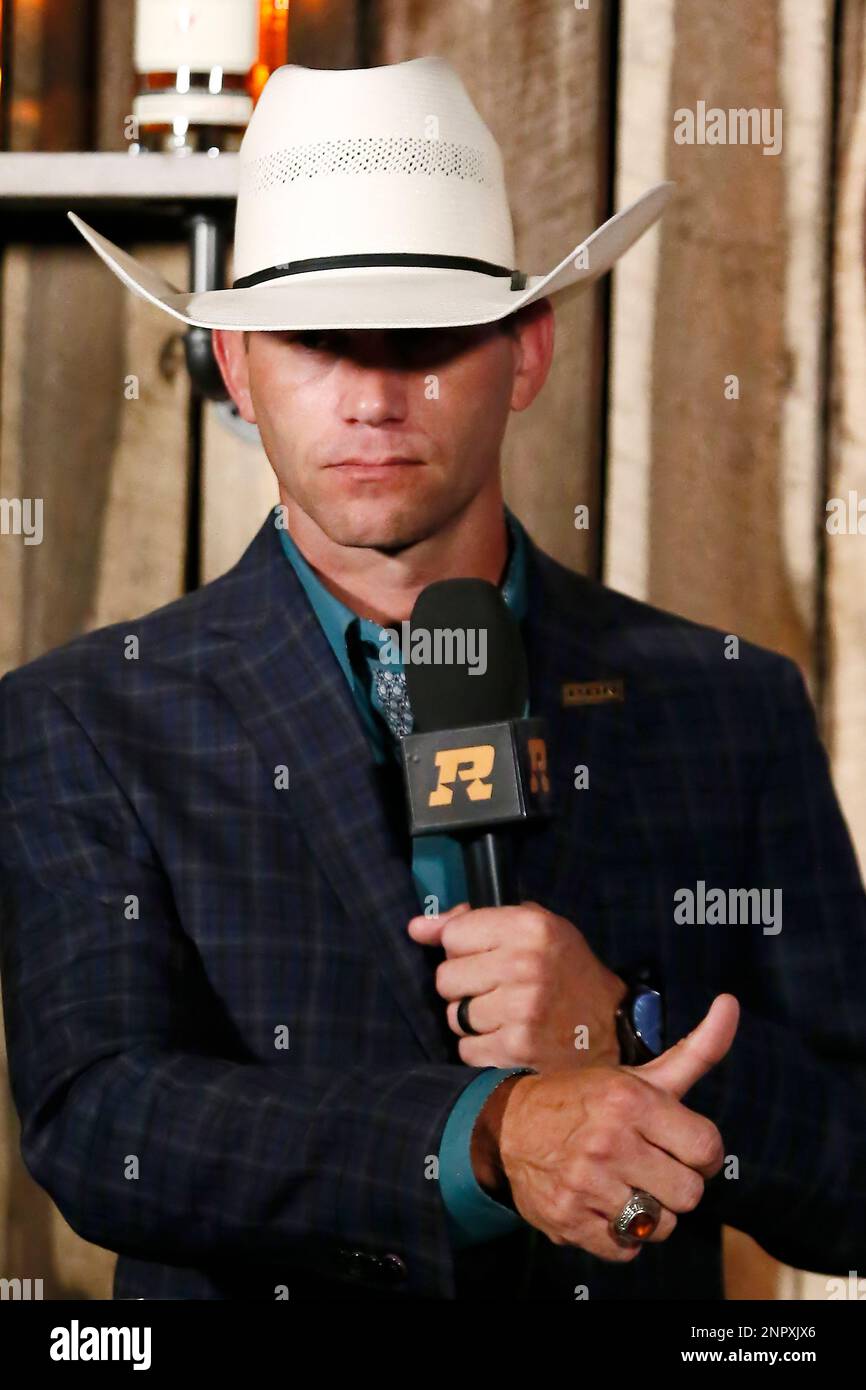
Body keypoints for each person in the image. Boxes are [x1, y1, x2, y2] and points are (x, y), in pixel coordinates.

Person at [1, 58, 864, 1303]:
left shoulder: (725, 704)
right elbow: (98, 1122)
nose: (369, 395)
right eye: (314, 343)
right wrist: (484, 1140)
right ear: (238, 367)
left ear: (525, 352)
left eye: (422, 339)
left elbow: (850, 1167)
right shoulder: (88, 717)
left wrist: (621, 1022)